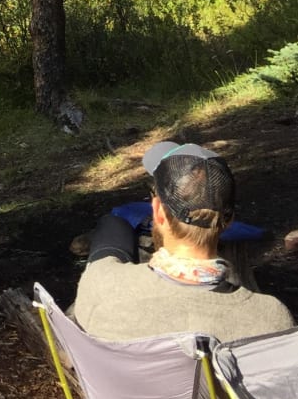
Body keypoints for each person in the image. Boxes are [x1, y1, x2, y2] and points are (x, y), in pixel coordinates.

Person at [74, 139, 293, 344]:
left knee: (112, 223)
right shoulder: (271, 319)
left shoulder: (101, 284)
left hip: (117, 385)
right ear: (229, 221)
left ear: (157, 212)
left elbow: (111, 233)